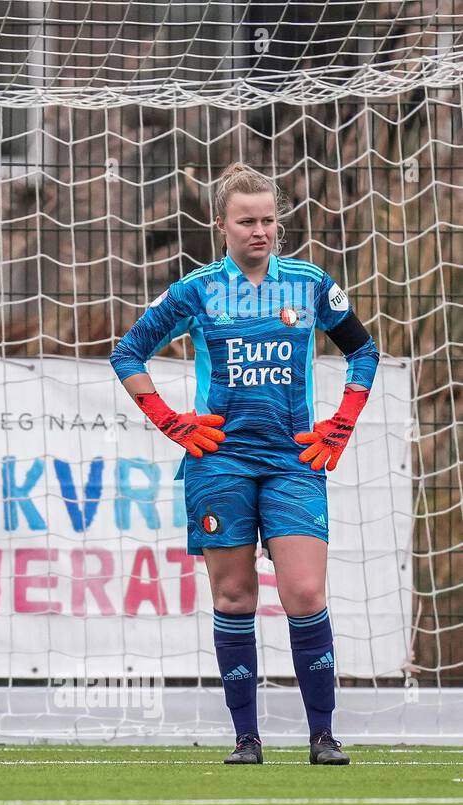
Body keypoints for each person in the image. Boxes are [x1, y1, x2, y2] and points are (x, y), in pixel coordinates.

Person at [109, 162, 379, 766]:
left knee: (305, 592)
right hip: (219, 462)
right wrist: (170, 420)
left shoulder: (309, 283)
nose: (260, 231)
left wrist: (341, 423)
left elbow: (364, 350)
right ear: (221, 225)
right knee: (233, 598)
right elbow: (127, 352)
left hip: (293, 460)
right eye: (247, 221)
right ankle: (246, 740)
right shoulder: (196, 290)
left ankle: (323, 736)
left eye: (269, 220)